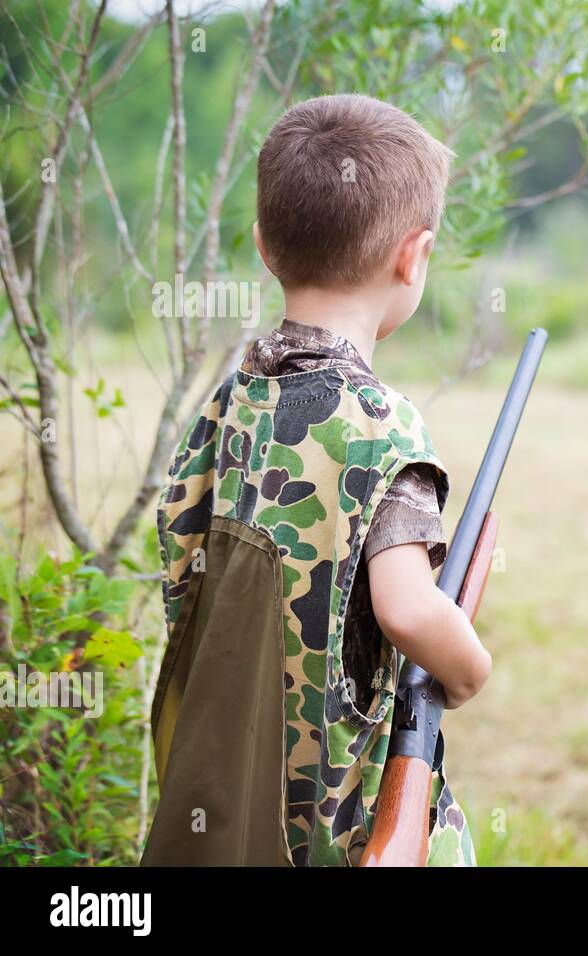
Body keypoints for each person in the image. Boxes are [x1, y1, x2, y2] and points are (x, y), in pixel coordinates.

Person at [142, 94, 488, 867]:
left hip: (223, 794)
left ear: (265, 244)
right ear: (414, 255)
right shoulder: (383, 426)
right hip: (331, 819)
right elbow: (405, 608)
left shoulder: (229, 402)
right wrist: (468, 667)